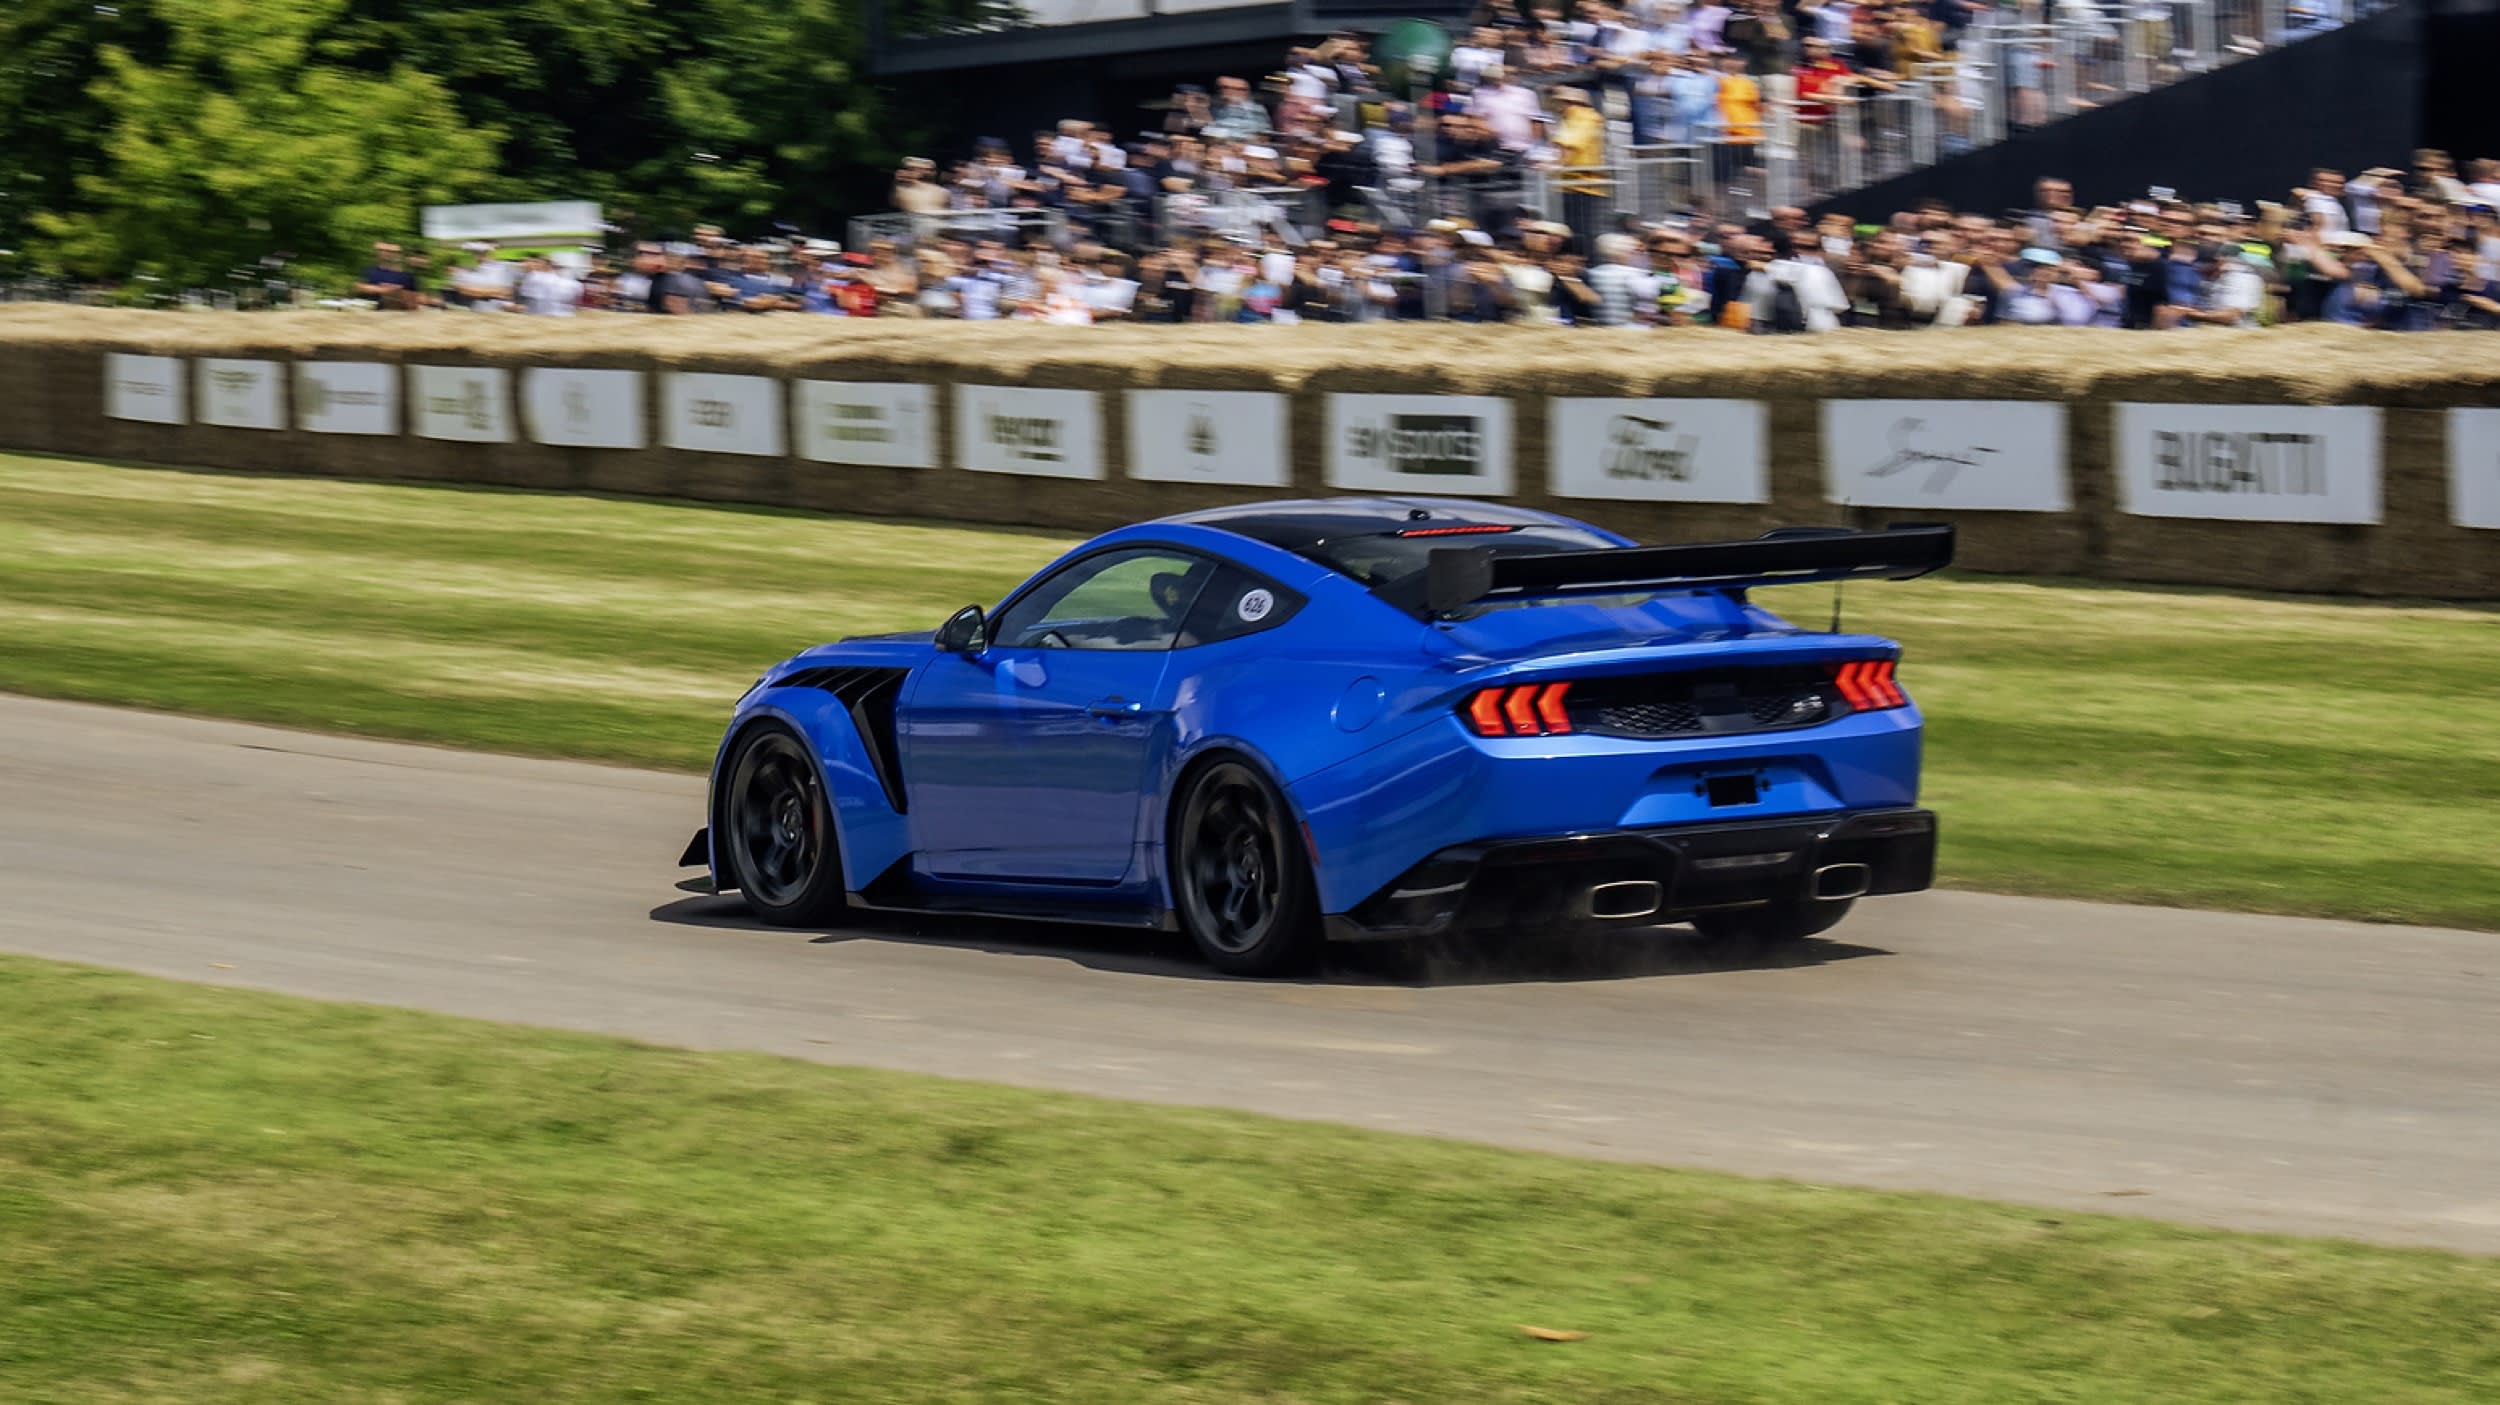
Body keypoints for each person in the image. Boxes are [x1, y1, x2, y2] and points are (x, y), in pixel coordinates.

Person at [353, 242, 421, 309]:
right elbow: (356, 287)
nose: (386, 253)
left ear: (399, 255)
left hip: (394, 316)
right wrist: (381, 290)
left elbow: (412, 305)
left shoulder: (407, 276)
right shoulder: (369, 271)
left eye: (391, 251)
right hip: (367, 312)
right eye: (382, 250)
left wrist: (394, 294)